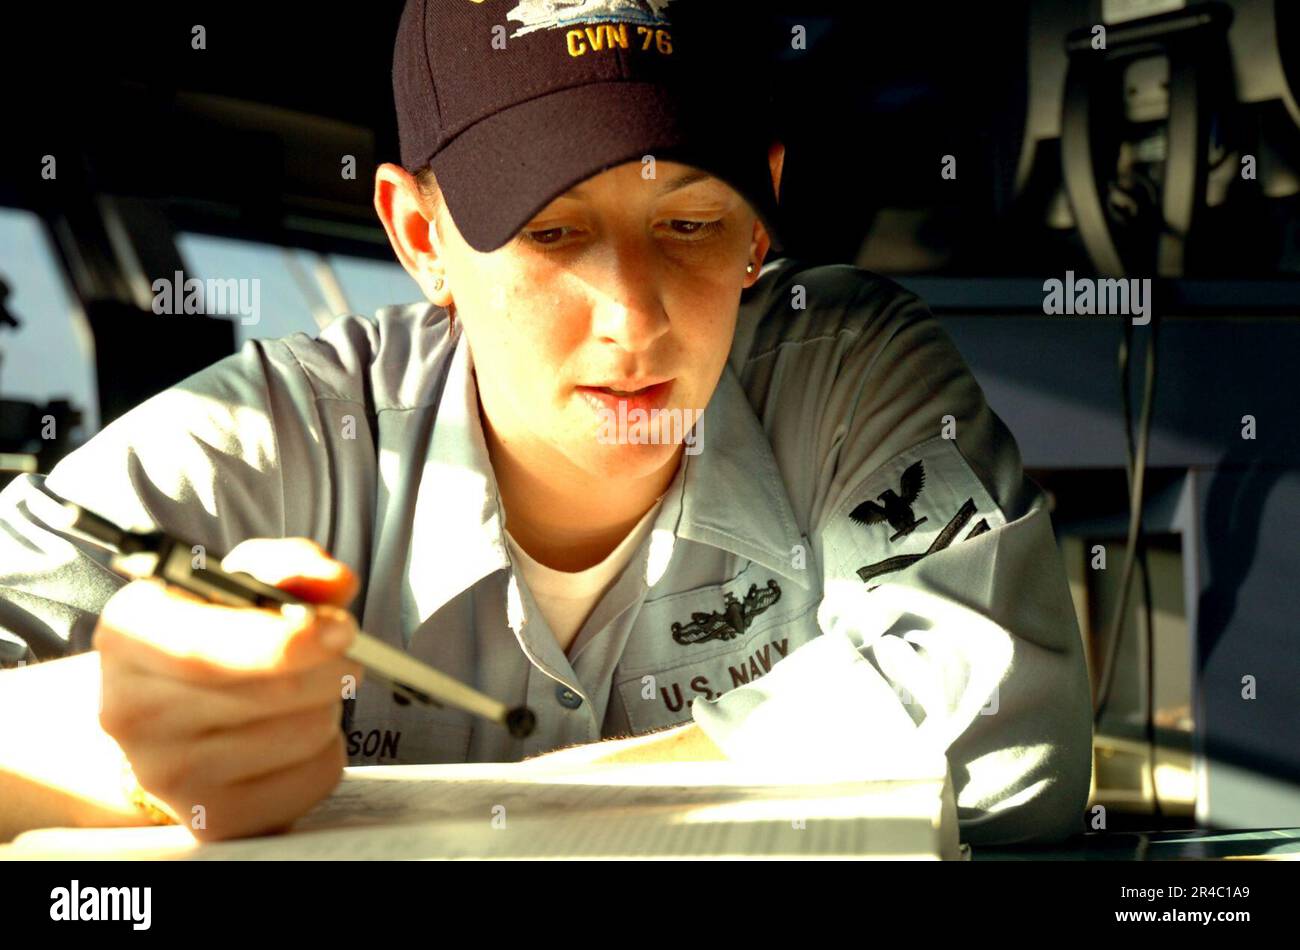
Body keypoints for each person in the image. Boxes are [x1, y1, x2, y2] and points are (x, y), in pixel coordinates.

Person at [0, 0, 1092, 846]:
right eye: (552, 230)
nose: (631, 316)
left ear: (763, 217)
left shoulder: (847, 368)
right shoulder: (266, 440)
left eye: (690, 223)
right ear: (419, 232)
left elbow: (1011, 740)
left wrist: (512, 814)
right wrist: (101, 736)